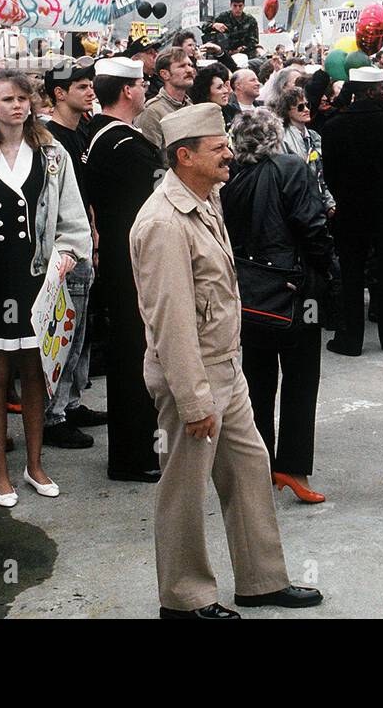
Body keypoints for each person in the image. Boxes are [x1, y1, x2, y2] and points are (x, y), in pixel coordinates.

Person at [130, 103, 321, 619]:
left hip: (226, 369)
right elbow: (170, 325)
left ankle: (260, 580)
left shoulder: (205, 197)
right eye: (218, 148)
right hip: (192, 378)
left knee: (250, 467)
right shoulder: (165, 223)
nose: (229, 155)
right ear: (184, 156)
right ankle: (185, 598)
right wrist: (194, 402)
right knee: (185, 491)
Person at [0, 69, 92, 506]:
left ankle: (34, 464)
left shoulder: (52, 154)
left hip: (37, 279)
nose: (18, 105)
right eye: (8, 99)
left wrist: (69, 252)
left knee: (36, 373)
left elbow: (72, 217)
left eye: (23, 98)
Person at [222, 108, 333, 505]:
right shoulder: (291, 168)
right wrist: (328, 270)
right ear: (274, 138)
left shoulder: (228, 178)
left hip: (248, 294)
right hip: (295, 290)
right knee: (301, 381)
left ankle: (259, 463)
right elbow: (312, 225)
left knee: (255, 380)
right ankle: (292, 466)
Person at [84, 57, 163, 483]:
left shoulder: (103, 136)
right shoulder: (124, 146)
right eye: (141, 83)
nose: (145, 89)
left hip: (119, 257)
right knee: (135, 356)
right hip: (131, 260)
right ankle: (134, 456)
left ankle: (135, 452)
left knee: (132, 353)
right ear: (128, 90)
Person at [321, 62, 383, 356]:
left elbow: (330, 173)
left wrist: (347, 197)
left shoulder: (333, 127)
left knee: (350, 276)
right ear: (373, 91)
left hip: (349, 211)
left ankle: (349, 339)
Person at [41, 59, 107, 448]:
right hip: (64, 249)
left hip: (85, 242)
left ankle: (72, 401)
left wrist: (94, 234)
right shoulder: (48, 139)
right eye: (81, 86)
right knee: (63, 334)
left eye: (90, 84)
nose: (89, 91)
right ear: (59, 94)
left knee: (81, 331)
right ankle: (54, 415)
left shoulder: (81, 131)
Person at [271, 85, 335, 213]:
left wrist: (329, 202)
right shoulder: (282, 139)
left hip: (319, 202)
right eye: (300, 107)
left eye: (307, 105)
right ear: (287, 111)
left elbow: (321, 171)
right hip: (298, 205)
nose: (306, 109)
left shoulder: (314, 135)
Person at [134, 47, 194, 157]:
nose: (190, 70)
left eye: (190, 65)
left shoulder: (190, 106)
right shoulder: (152, 111)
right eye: (182, 66)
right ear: (165, 74)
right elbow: (148, 158)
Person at [190, 60, 237, 129]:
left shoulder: (232, 111)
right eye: (219, 87)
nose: (226, 91)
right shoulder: (197, 120)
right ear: (206, 93)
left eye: (224, 86)